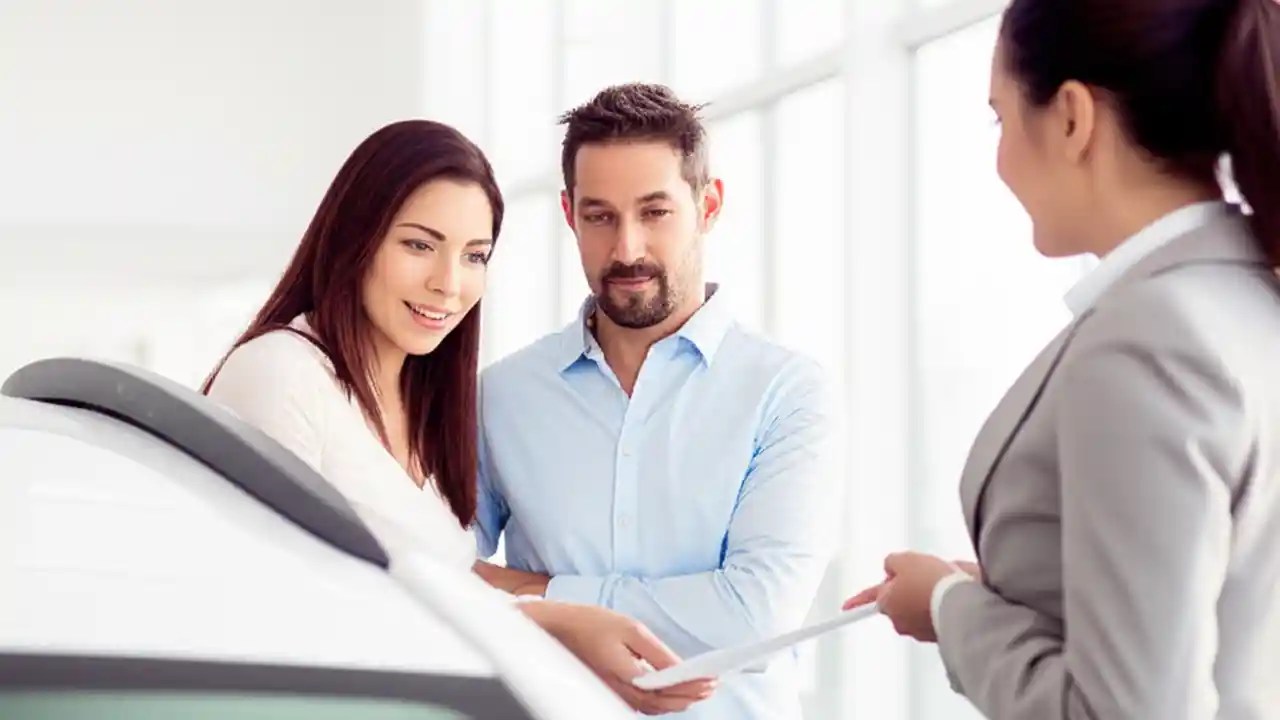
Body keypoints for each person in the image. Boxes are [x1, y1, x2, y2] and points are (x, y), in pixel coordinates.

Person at [843, 1, 1280, 717]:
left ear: (1073, 118)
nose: (1000, 158)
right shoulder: (1249, 300)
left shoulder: (1150, 339)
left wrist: (952, 608)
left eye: (1001, 118)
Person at [201, 119, 714, 716]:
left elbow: (435, 585)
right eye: (419, 245)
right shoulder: (280, 374)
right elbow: (273, 612)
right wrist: (546, 618)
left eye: (474, 256)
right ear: (354, 239)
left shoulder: (433, 407)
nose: (448, 284)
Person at [473, 83, 838, 720]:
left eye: (655, 212)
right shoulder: (503, 395)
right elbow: (444, 578)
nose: (627, 249)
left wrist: (544, 597)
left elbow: (753, 618)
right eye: (600, 215)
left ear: (709, 204)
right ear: (568, 213)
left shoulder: (787, 393)